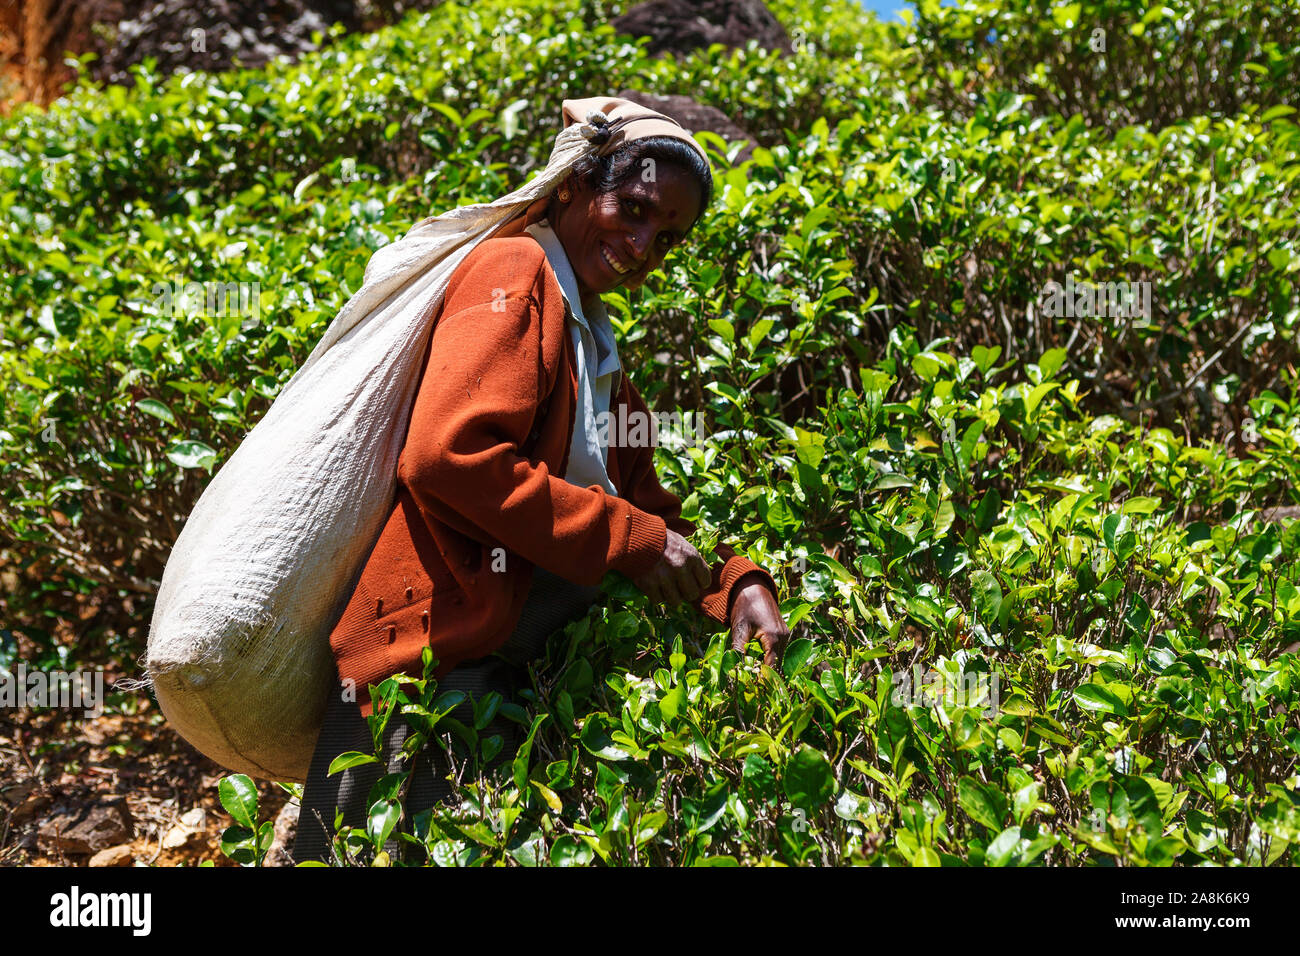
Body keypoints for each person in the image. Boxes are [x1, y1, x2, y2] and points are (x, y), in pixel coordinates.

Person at [291, 96, 790, 864]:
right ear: (572, 186)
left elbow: (649, 511)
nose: (644, 243)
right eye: (633, 208)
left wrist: (736, 582)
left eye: (669, 235)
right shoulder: (515, 270)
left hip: (488, 671)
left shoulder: (598, 351)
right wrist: (630, 540)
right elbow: (449, 455)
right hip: (421, 668)